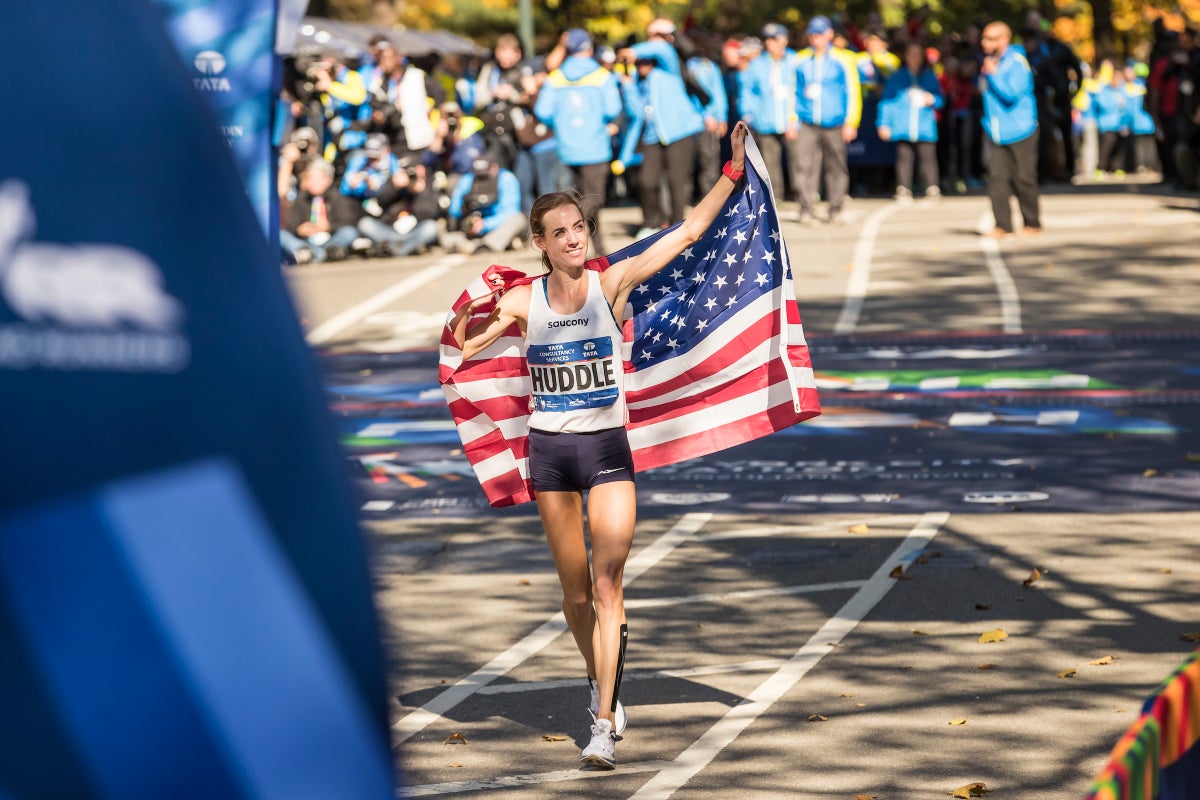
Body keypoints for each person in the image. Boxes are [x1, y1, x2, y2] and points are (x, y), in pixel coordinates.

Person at [451, 122, 750, 770]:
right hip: (551, 455)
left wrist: (731, 171)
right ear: (540, 244)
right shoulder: (523, 301)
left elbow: (688, 234)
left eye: (579, 228)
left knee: (610, 584)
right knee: (578, 597)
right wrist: (469, 330)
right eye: (560, 233)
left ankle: (604, 721)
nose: (574, 239)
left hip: (607, 450)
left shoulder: (610, 282)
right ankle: (603, 673)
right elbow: (465, 350)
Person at [535, 29, 623, 255]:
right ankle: (562, 229)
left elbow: (542, 110)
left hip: (566, 147)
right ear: (589, 47)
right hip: (595, 146)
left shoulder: (556, 77)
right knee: (594, 199)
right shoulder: (602, 75)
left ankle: (600, 251)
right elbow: (614, 108)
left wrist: (563, 122)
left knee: (581, 199)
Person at [794, 15, 862, 225]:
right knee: (804, 164)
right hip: (807, 120)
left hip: (834, 121)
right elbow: (793, 91)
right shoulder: (801, 60)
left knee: (837, 165)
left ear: (830, 34)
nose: (817, 39)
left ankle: (835, 207)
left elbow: (853, 91)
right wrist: (792, 119)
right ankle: (806, 208)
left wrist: (851, 121)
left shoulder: (844, 59)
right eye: (813, 35)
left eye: (821, 34)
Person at [979, 21, 1041, 237]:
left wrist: (993, 75)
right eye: (984, 38)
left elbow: (1011, 94)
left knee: (1024, 178)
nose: (984, 42)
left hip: (1021, 128)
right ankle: (1002, 224)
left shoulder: (1016, 62)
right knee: (997, 180)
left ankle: (1032, 222)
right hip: (996, 130)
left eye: (990, 38)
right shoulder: (990, 63)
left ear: (1004, 39)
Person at [739, 23, 801, 203]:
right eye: (769, 40)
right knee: (770, 161)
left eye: (775, 39)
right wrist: (748, 114)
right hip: (765, 120)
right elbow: (747, 91)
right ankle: (776, 197)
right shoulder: (757, 64)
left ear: (784, 40)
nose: (771, 43)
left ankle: (802, 193)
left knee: (799, 159)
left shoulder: (795, 61)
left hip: (792, 120)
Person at [877, 41, 944, 200]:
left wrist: (932, 99)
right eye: (911, 54)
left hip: (924, 125)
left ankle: (931, 186)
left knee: (928, 157)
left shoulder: (929, 76)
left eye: (917, 55)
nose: (914, 58)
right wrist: (883, 123)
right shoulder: (897, 78)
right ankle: (903, 187)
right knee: (904, 157)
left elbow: (941, 99)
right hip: (903, 124)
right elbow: (887, 101)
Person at [281, 159, 363, 263]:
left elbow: (349, 222)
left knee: (350, 233)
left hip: (331, 240)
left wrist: (328, 226)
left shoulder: (338, 197)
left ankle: (317, 254)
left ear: (328, 180)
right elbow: (291, 224)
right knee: (281, 235)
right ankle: (316, 253)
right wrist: (299, 229)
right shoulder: (301, 198)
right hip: (306, 242)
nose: (312, 183)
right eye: (310, 178)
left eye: (317, 179)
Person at [443, 157, 527, 255]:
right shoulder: (467, 179)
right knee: (446, 238)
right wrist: (469, 222)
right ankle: (479, 244)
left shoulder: (507, 178)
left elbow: (510, 210)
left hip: (496, 225)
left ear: (495, 167)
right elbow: (454, 210)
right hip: (473, 227)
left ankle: (485, 245)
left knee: (518, 219)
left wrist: (485, 224)